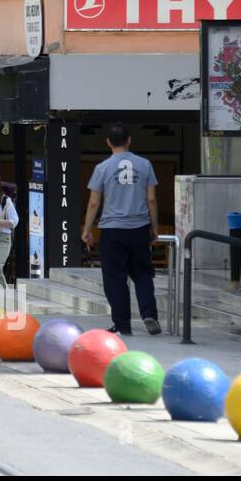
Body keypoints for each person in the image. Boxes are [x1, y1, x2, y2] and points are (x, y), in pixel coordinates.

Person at [82, 123, 161, 336]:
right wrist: (154, 227)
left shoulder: (102, 168)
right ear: (129, 140)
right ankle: (149, 313)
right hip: (139, 227)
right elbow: (151, 199)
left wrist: (87, 229)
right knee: (143, 274)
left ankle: (122, 324)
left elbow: (93, 203)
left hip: (112, 230)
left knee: (115, 278)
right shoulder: (145, 165)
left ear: (108, 142)